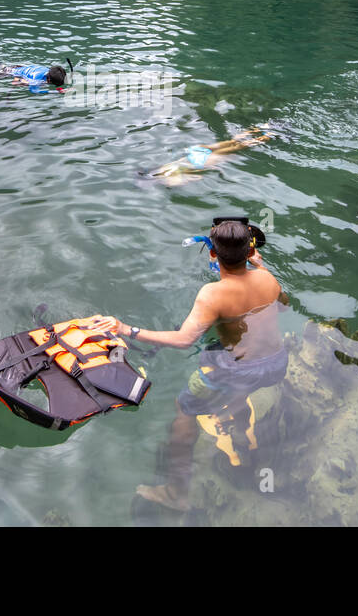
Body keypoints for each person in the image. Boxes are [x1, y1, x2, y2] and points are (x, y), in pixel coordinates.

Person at [93, 219, 288, 511]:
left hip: (238, 369)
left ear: (213, 255)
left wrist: (125, 329)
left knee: (184, 408)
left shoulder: (212, 294)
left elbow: (185, 339)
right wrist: (260, 267)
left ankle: (176, 492)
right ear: (251, 252)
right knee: (237, 390)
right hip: (276, 362)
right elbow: (283, 303)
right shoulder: (268, 278)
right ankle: (243, 438)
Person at [146, 127, 275, 187]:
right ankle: (263, 127)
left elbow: (197, 177)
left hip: (203, 162)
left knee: (238, 147)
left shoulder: (170, 181)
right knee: (232, 141)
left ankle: (269, 135)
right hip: (195, 153)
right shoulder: (162, 168)